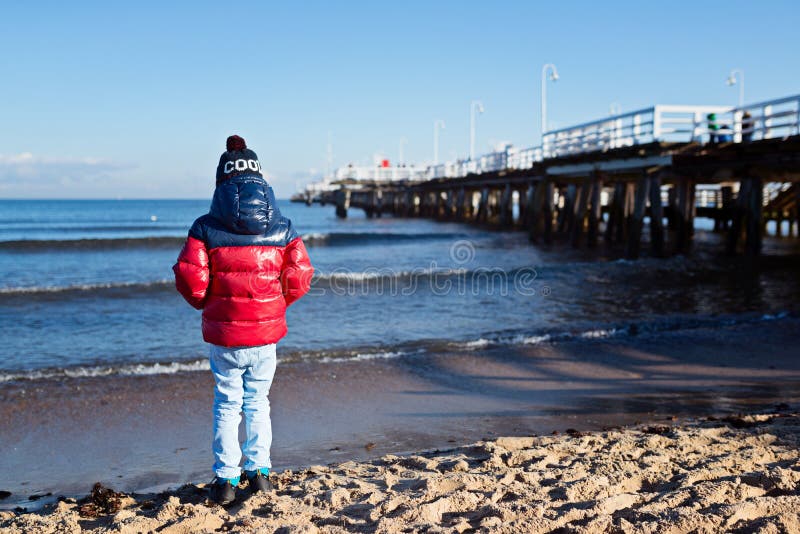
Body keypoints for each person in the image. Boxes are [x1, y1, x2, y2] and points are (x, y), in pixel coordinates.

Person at [173, 135, 314, 505]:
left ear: (221, 180)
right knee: (258, 402)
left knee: (227, 403)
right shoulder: (282, 226)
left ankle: (225, 480)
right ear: (259, 179)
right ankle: (260, 473)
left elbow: (191, 278)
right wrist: (275, 303)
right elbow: (300, 275)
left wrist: (208, 304)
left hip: (225, 338)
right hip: (265, 336)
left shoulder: (205, 227)